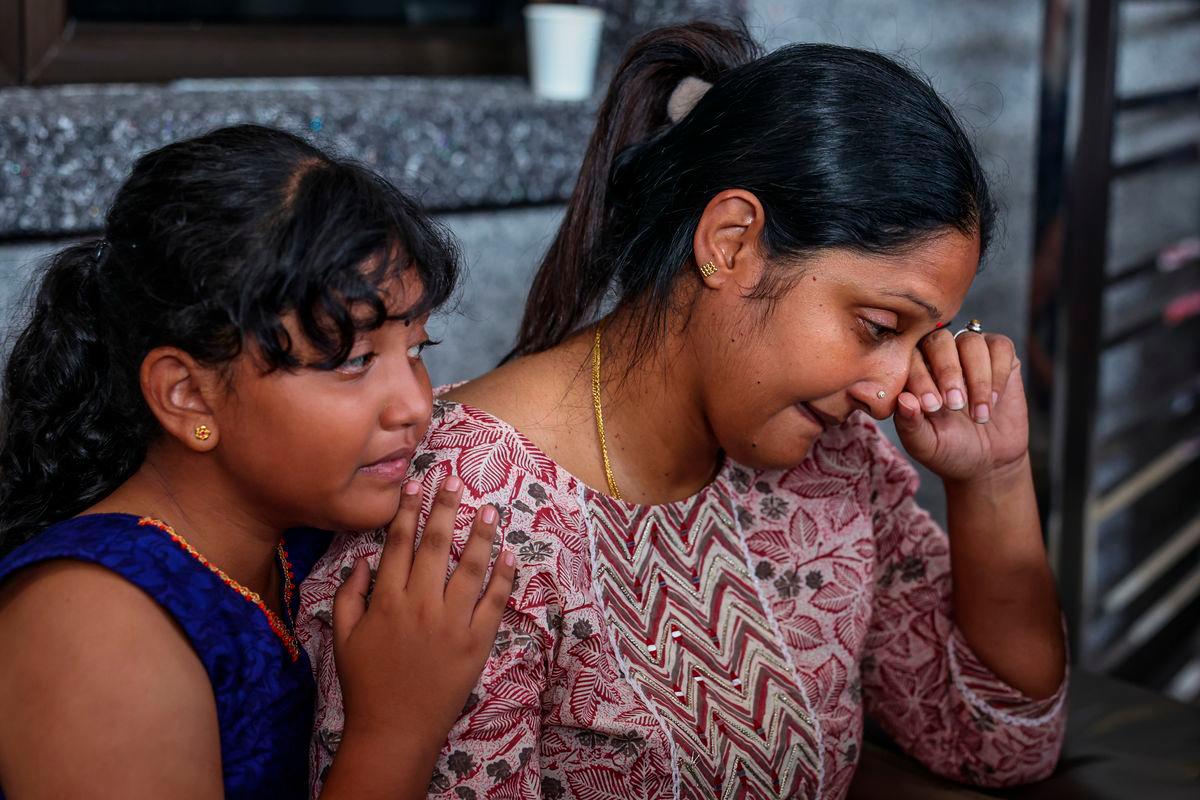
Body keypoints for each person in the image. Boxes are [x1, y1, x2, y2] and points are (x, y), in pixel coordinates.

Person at [300, 22, 1068, 800]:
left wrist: (995, 480)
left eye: (917, 342)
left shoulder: (831, 460)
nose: (884, 393)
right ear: (731, 242)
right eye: (876, 327)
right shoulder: (464, 522)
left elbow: (998, 742)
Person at [0, 125, 515, 799]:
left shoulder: (299, 539)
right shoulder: (91, 625)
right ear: (188, 396)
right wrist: (394, 731)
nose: (414, 404)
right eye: (356, 361)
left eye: (416, 348)